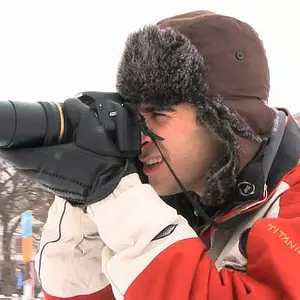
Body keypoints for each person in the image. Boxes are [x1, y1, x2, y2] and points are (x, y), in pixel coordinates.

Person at [1, 10, 300, 300]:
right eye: (135, 118)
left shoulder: (293, 202)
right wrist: (82, 200)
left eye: (157, 115)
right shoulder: (168, 201)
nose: (140, 136)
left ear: (225, 120)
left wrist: (115, 194)